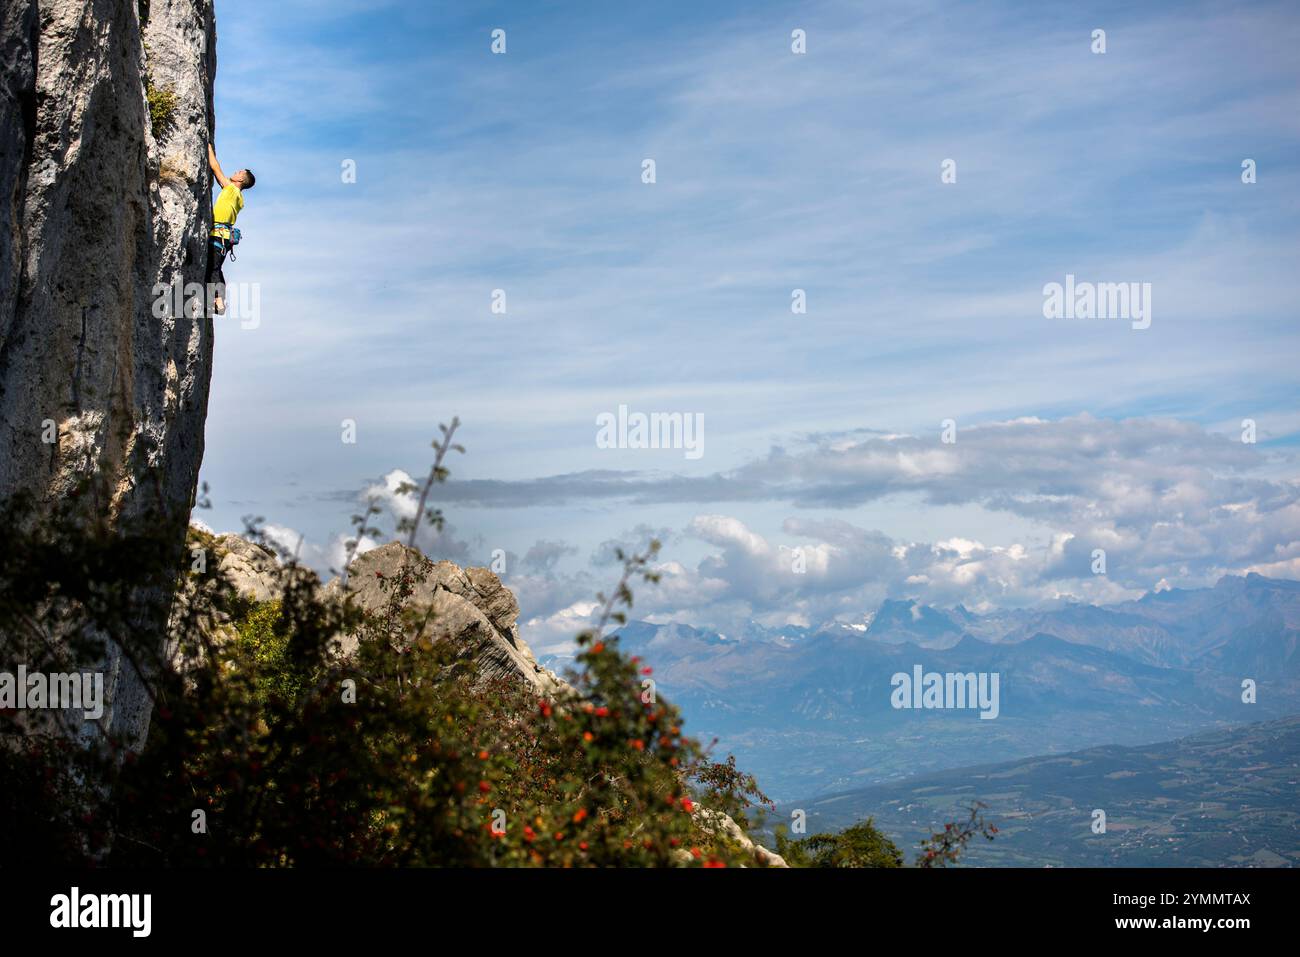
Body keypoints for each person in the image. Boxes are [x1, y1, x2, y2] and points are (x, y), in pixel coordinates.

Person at [204, 142, 255, 316]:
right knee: (215, 267)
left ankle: (218, 301)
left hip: (218, 235)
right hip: (224, 238)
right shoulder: (238, 197)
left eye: (240, 172)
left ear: (241, 180)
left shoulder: (232, 190)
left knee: (213, 268)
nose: (236, 171)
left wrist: (208, 147)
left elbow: (216, 169)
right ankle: (216, 300)